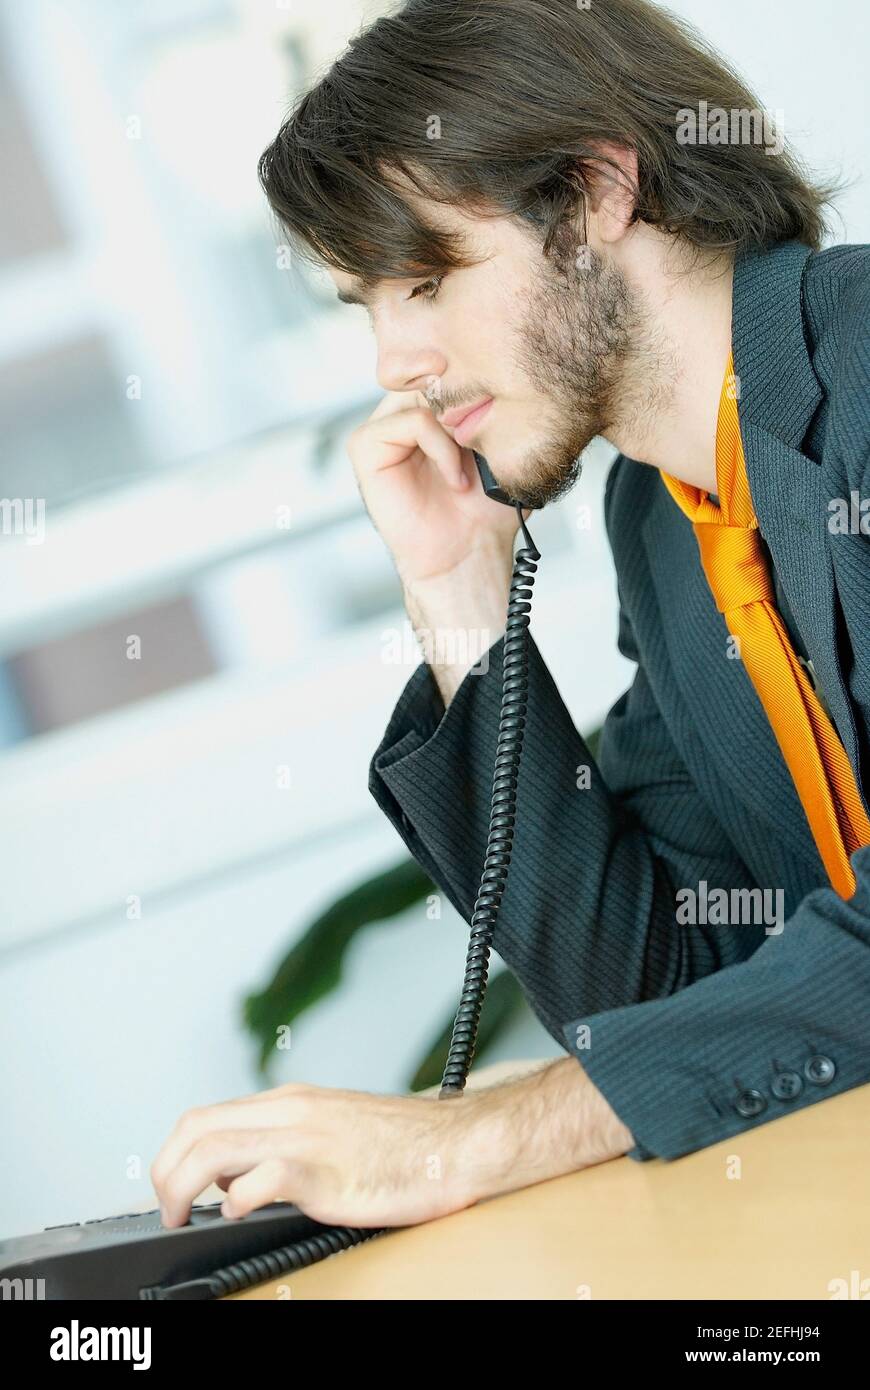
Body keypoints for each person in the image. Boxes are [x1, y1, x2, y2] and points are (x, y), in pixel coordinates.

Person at [152, 0, 870, 1231]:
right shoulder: (668, 522)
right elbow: (660, 983)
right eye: (367, 303)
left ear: (594, 193)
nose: (395, 361)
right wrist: (460, 602)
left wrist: (473, 1135)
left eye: (427, 278)